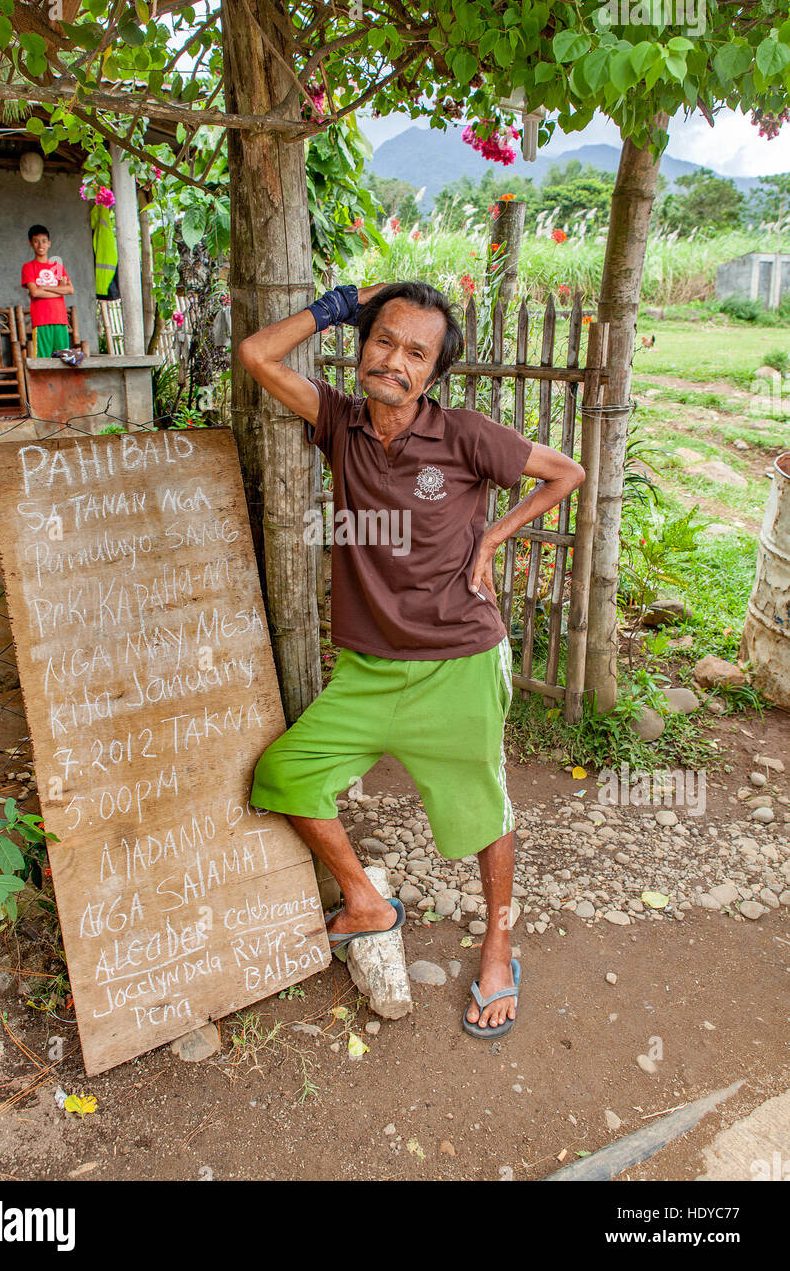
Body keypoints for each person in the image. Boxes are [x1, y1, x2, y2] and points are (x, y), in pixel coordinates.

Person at [239, 280, 585, 1037]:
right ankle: (366, 902)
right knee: (284, 776)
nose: (394, 360)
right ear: (364, 344)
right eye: (383, 340)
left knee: (481, 809)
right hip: (366, 670)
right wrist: (334, 306)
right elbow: (256, 354)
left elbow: (567, 473)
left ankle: (499, 944)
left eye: (415, 353)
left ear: (434, 373)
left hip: (458, 660)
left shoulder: (464, 435)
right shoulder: (337, 420)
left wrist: (494, 538)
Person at [21, 225, 76, 359]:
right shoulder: (28, 267)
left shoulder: (57, 267)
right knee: (42, 360)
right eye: (36, 241)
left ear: (49, 243)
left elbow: (70, 289)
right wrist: (59, 291)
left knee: (63, 359)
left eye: (44, 241)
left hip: (61, 320)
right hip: (41, 320)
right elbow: (34, 293)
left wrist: (44, 288)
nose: (41, 244)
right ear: (30, 244)